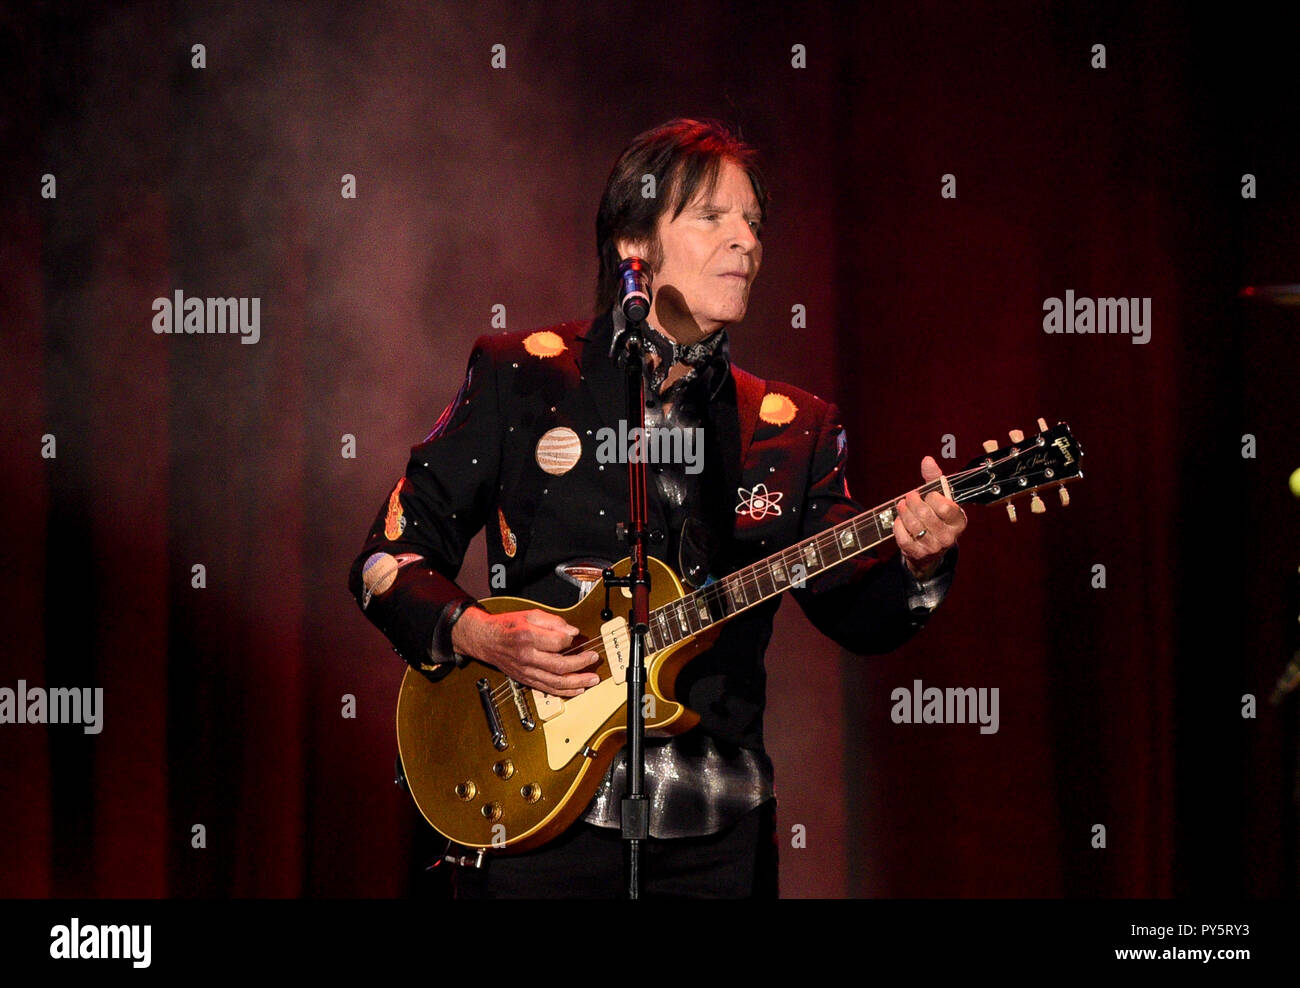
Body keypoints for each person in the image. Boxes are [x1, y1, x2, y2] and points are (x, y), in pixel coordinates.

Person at [348, 118, 967, 898]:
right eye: (712, 216)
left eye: (753, 220)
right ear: (632, 244)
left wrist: (920, 561)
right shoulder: (523, 377)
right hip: (531, 814)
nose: (745, 241)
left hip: (716, 833)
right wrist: (479, 632)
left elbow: (856, 612)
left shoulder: (792, 424)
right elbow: (384, 559)